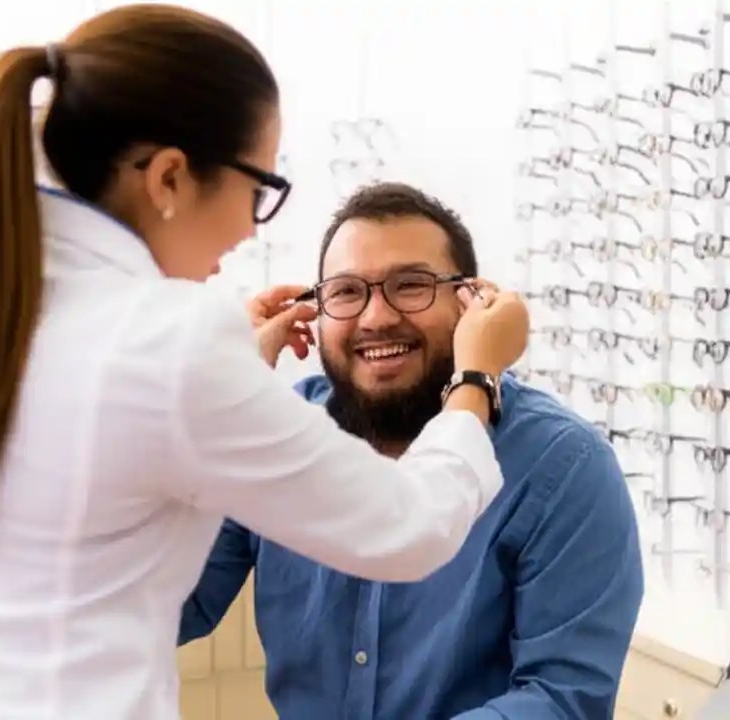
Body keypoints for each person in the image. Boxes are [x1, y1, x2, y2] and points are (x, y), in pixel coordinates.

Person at [0, 7, 529, 719]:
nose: (253, 227)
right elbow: (410, 527)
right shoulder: (173, 345)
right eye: (259, 190)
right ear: (168, 178)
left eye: (407, 285)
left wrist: (229, 376)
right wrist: (475, 378)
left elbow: (87, 457)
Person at [180, 182, 644, 719]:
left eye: (411, 285)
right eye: (347, 291)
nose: (376, 317)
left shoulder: (565, 465)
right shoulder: (274, 434)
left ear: (473, 303)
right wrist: (221, 404)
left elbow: (563, 701)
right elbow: (167, 605)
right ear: (314, 311)